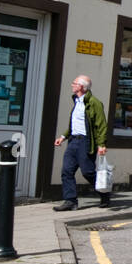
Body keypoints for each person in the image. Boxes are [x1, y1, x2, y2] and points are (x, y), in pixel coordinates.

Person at [52, 74, 109, 210]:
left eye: (74, 83)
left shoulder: (94, 103)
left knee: (88, 172)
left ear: (82, 87)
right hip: (73, 141)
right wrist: (63, 137)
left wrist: (102, 144)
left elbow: (101, 125)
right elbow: (74, 124)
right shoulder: (76, 101)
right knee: (66, 170)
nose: (72, 85)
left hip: (86, 142)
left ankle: (104, 193)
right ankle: (70, 201)